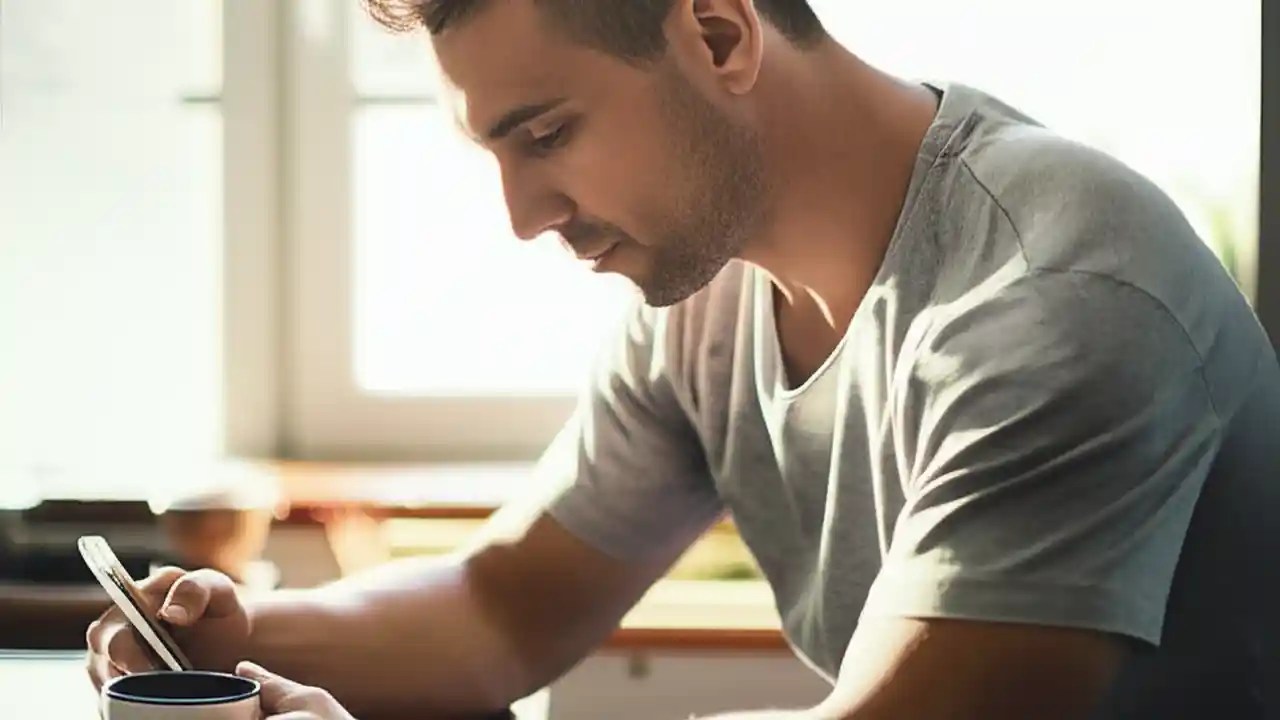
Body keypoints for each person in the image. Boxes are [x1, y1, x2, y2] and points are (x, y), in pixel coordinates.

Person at [88, 1, 1280, 718]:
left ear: (716, 32)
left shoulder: (1054, 300)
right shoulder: (707, 299)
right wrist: (235, 641)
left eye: (545, 134)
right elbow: (504, 604)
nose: (521, 216)